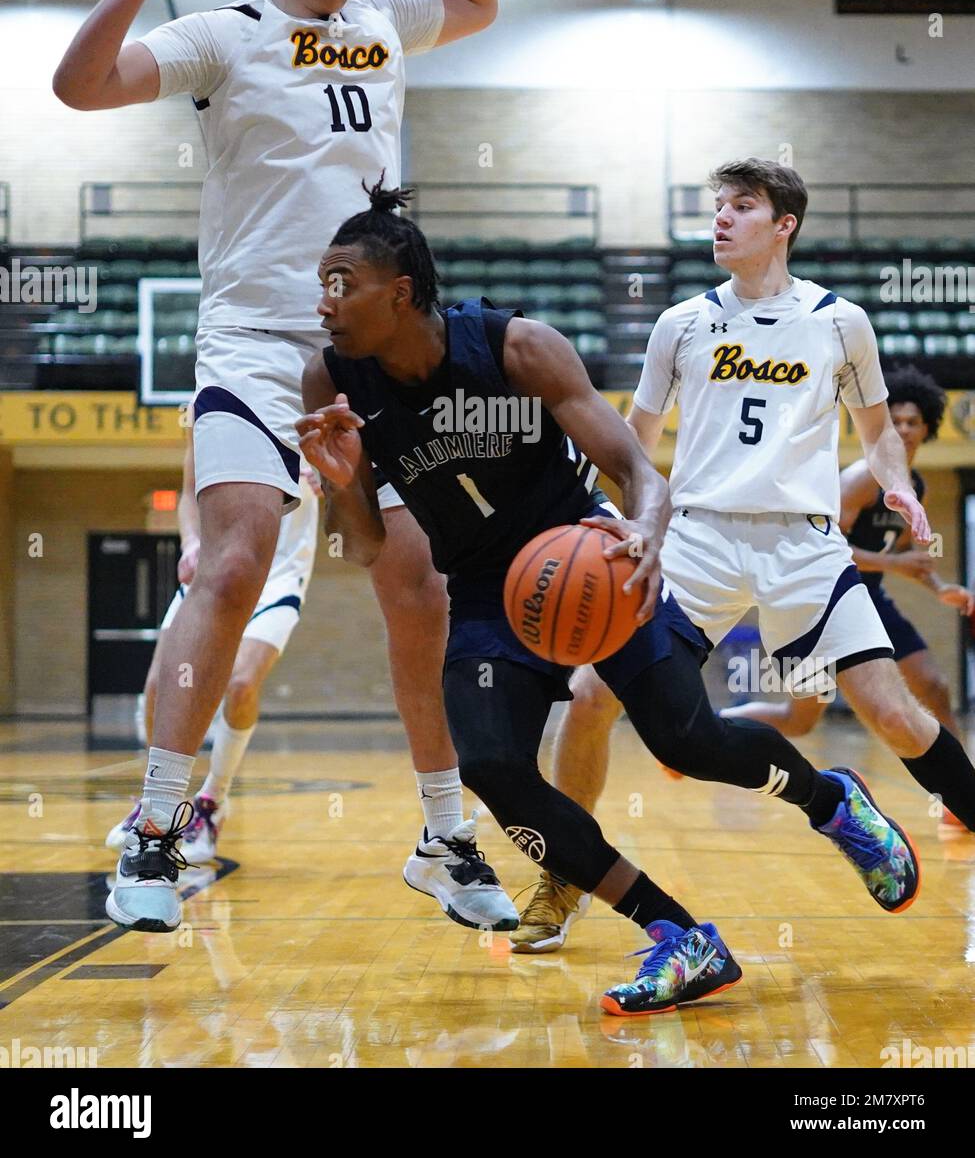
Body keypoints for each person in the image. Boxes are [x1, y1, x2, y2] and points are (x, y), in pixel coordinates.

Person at [296, 180, 918, 1017]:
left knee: (686, 739)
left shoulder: (515, 347)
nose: (326, 303)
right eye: (323, 285)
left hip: (592, 556)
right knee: (488, 766)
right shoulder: (330, 379)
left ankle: (827, 800)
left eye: (344, 283)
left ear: (399, 292)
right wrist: (341, 487)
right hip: (486, 593)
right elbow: (367, 544)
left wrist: (647, 533)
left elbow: (637, 471)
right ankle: (677, 935)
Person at [53, 0, 513, 933]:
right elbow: (76, 86)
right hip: (256, 342)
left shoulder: (386, 22)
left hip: (372, 349)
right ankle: (161, 827)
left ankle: (445, 835)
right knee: (237, 557)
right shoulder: (224, 35)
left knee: (419, 586)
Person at [514, 159, 975, 953]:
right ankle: (565, 876)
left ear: (783, 224)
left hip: (803, 542)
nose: (720, 220)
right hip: (696, 540)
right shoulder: (680, 323)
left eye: (741, 207)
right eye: (715, 208)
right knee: (590, 695)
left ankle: (875, 811)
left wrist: (897, 488)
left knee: (898, 717)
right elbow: (635, 443)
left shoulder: (840, 322)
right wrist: (606, 518)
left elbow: (875, 441)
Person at [726, 366, 973, 822]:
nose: (902, 429)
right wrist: (896, 564)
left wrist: (940, 589)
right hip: (827, 595)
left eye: (911, 422)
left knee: (934, 687)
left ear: (927, 429)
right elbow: (827, 546)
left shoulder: (913, 486)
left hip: (872, 598)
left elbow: (897, 554)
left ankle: (958, 804)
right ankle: (708, 729)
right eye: (893, 420)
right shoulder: (862, 477)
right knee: (799, 721)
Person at [105, 441, 320, 864]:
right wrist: (189, 543)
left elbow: (360, 496)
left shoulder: (310, 408)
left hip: (278, 579)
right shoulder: (215, 405)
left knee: (240, 685)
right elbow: (189, 492)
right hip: (212, 570)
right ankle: (157, 803)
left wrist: (337, 484)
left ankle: (212, 802)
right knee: (158, 685)